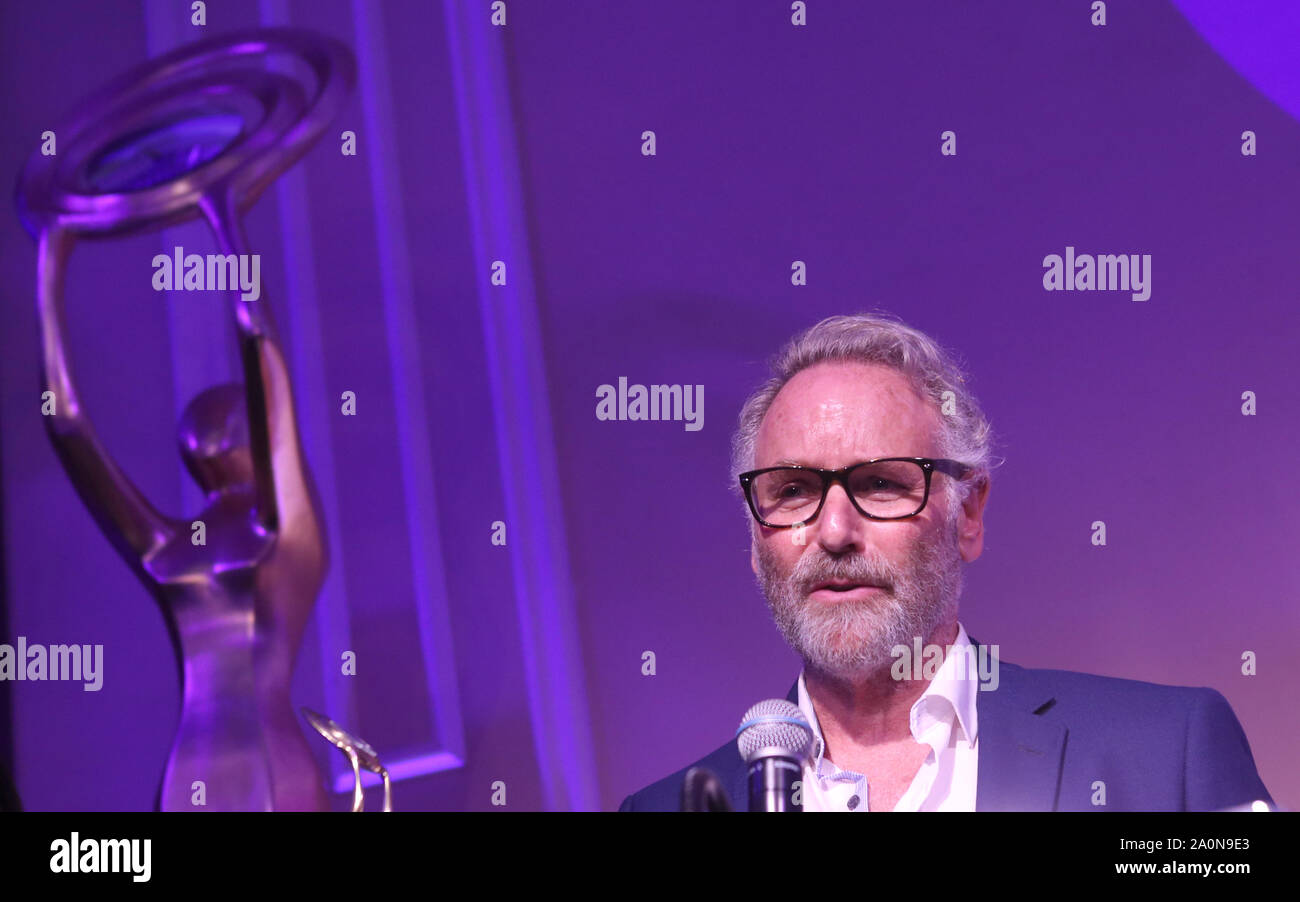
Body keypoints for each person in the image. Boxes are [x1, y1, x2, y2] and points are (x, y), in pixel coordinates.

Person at [619, 312, 1273, 812]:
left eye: (880, 484)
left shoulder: (1166, 755)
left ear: (969, 514)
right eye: (792, 492)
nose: (835, 530)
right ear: (756, 539)